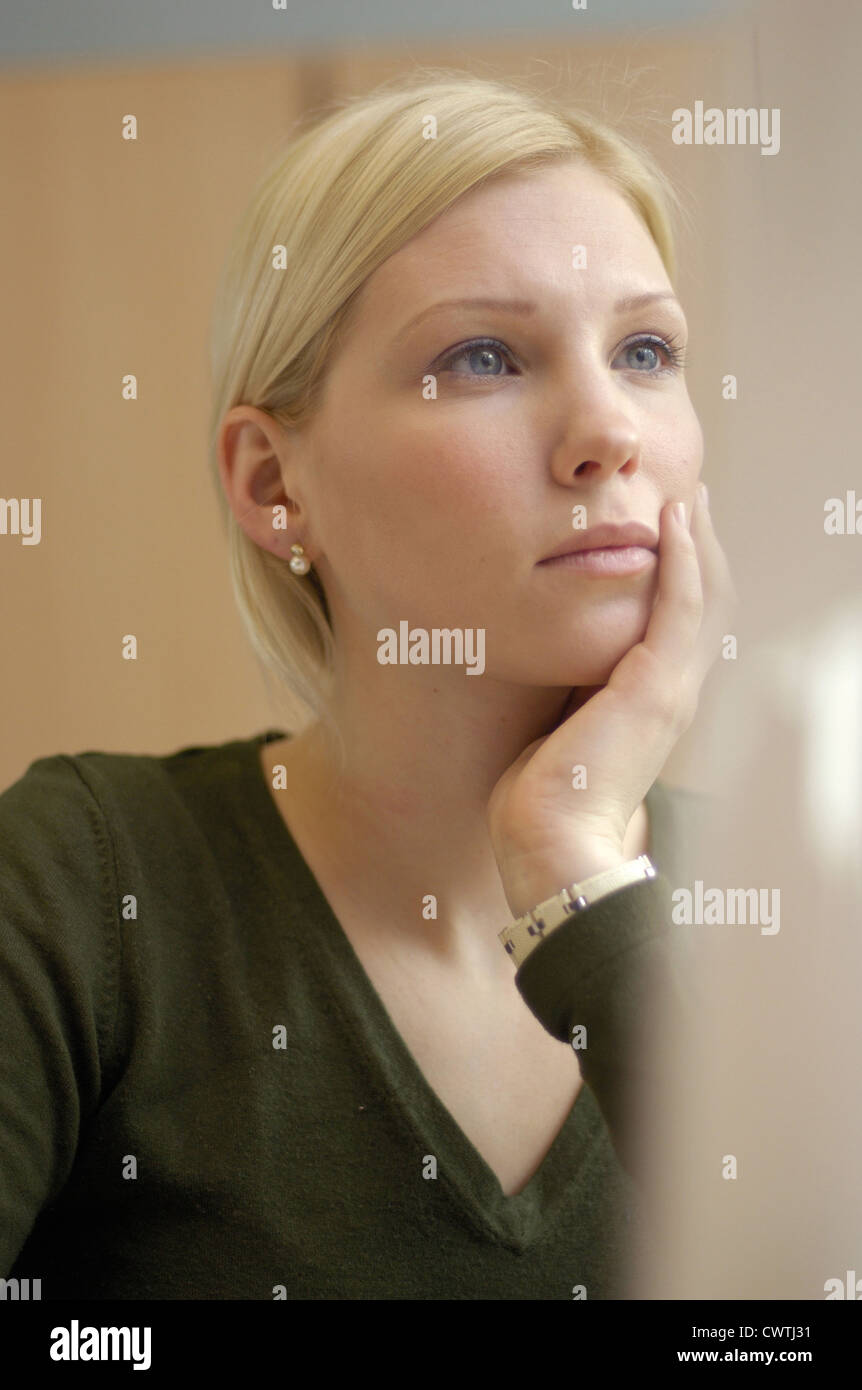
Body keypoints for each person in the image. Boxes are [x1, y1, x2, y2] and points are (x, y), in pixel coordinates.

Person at [0, 70, 735, 1300]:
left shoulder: (793, 905)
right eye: (484, 355)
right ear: (272, 483)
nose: (609, 429)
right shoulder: (82, 886)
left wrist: (575, 874)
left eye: (644, 350)